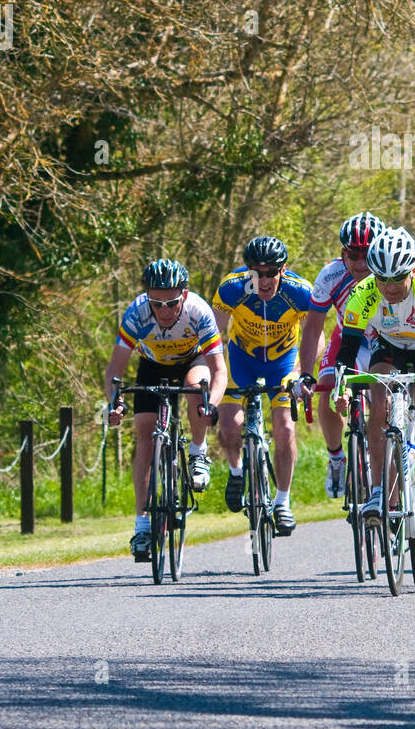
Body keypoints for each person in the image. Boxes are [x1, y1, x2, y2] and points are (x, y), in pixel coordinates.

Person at [332, 227, 415, 544]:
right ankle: (380, 492)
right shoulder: (363, 293)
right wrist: (343, 388)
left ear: (412, 271)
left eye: (397, 278)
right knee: (379, 402)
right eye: (382, 278)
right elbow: (346, 352)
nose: (389, 287)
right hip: (389, 349)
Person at [104, 259, 227, 561]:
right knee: (145, 434)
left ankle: (198, 453)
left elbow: (219, 370)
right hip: (152, 366)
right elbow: (114, 371)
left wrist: (211, 405)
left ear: (183, 296)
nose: (164, 311)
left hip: (192, 361)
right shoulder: (136, 313)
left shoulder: (199, 312)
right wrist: (114, 402)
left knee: (196, 389)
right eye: (156, 303)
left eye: (171, 303)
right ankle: (143, 525)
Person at [212, 236, 314, 535]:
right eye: (257, 272)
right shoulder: (232, 288)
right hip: (241, 357)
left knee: (284, 429)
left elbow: (314, 334)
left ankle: (282, 501)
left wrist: (300, 371)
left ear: (284, 270)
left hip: (283, 362)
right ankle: (236, 471)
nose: (264, 279)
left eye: (272, 272)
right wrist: (211, 371)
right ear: (248, 271)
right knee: (230, 426)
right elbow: (212, 333)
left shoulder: (300, 291)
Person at [296, 212, 385, 498]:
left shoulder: (392, 270)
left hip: (388, 339)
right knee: (328, 388)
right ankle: (336, 459)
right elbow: (312, 329)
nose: (360, 264)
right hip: (350, 339)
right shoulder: (330, 275)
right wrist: (306, 374)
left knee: (388, 399)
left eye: (367, 256)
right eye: (353, 255)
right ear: (342, 253)